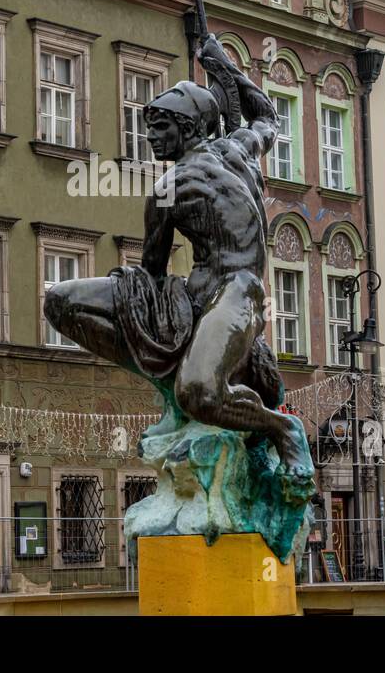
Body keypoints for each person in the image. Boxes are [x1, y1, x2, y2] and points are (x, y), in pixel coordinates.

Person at [42, 36, 310, 484]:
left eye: (160, 126)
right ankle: (173, 388)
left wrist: (225, 69)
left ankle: (283, 429)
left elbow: (151, 269)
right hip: (200, 292)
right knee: (65, 302)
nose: (149, 136)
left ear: (186, 128)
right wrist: (227, 69)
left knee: (199, 392)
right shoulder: (234, 150)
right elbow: (265, 116)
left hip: (239, 293)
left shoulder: (199, 171)